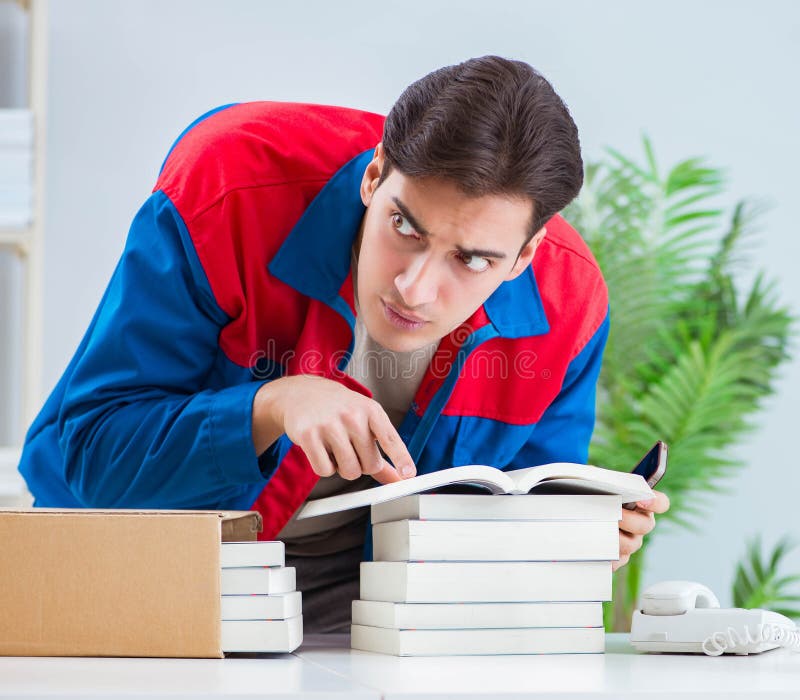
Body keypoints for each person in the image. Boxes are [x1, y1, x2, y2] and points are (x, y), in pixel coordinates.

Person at [18, 55, 668, 631]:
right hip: (159, 593)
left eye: (470, 261)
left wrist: (575, 540)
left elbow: (515, 535)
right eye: (404, 227)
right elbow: (74, 459)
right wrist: (270, 407)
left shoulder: (570, 304)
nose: (415, 288)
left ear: (525, 255)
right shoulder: (227, 188)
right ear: (375, 174)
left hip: (386, 626)